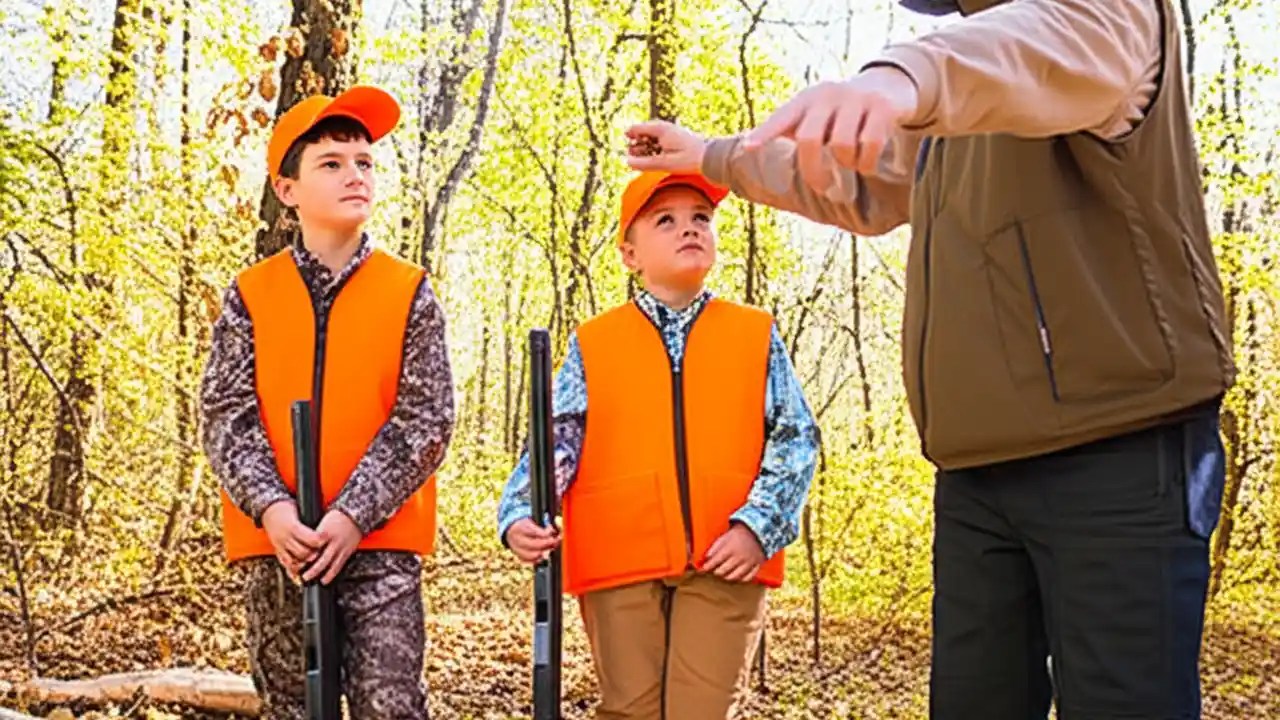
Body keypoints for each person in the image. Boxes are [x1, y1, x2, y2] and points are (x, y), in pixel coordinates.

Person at [625, 1, 1234, 718]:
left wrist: (896, 79)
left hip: (1120, 455)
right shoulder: (953, 109)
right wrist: (711, 155)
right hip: (977, 471)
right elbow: (851, 178)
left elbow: (1023, 48)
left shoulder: (1103, 20)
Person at [496, 170, 819, 719]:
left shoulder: (755, 333)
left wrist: (757, 527)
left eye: (701, 218)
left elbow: (796, 437)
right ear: (629, 255)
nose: (688, 229)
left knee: (701, 710)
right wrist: (521, 512)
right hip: (619, 556)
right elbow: (557, 442)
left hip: (726, 558)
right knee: (629, 710)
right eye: (665, 220)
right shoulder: (594, 343)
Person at [200, 85, 455, 720]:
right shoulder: (250, 295)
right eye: (331, 163)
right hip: (277, 548)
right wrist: (275, 509)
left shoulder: (409, 291)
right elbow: (225, 413)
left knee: (390, 707)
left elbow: (427, 418)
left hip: (380, 548)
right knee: (292, 709)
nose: (354, 175)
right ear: (287, 190)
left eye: (364, 162)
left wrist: (352, 515)